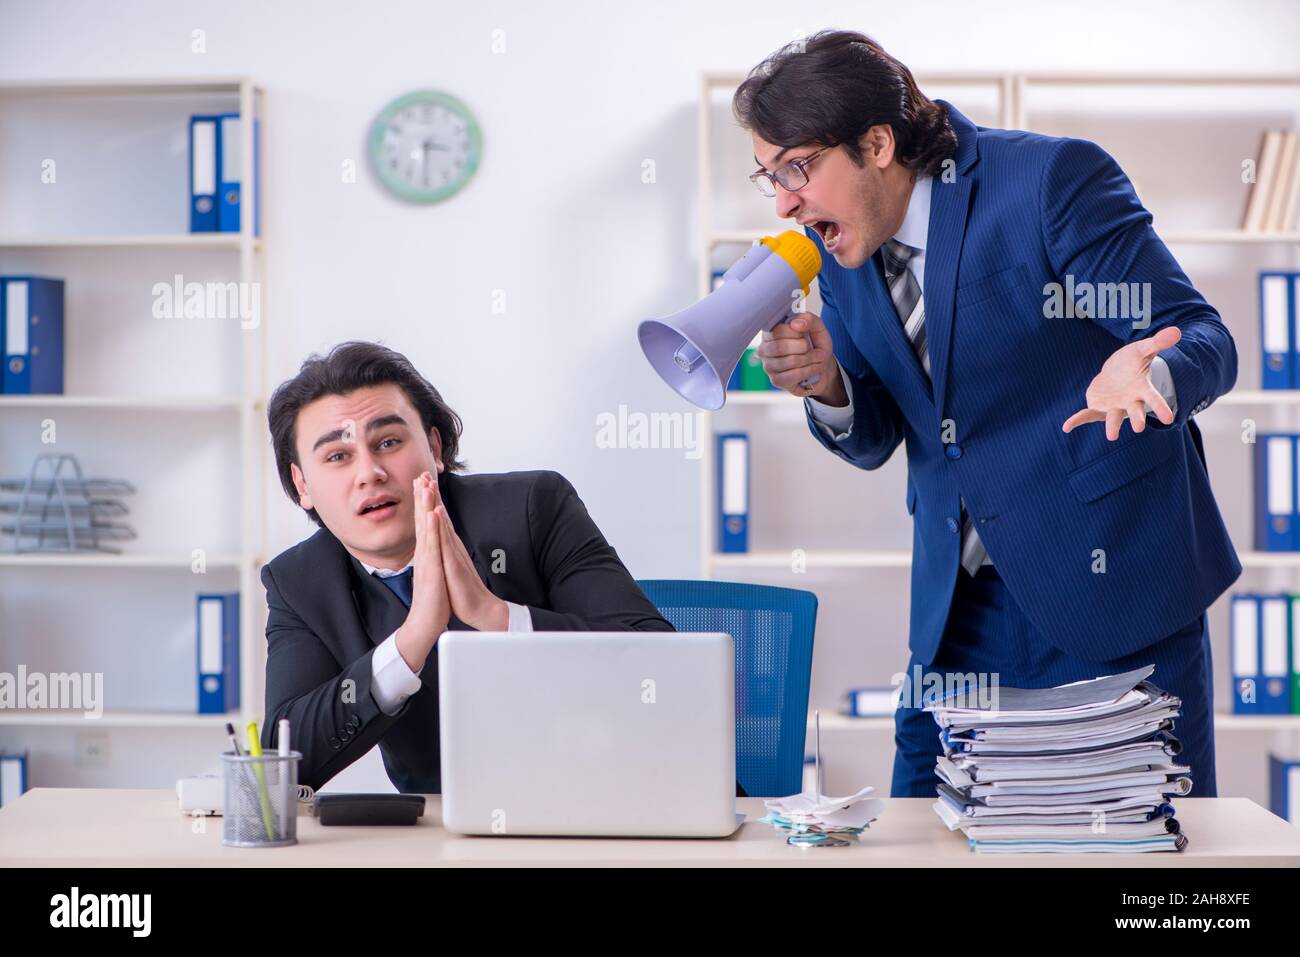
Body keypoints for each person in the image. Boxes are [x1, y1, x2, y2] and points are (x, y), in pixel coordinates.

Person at [740, 31, 1239, 796]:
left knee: (1140, 840)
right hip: (956, 617)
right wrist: (829, 384)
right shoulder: (841, 252)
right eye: (769, 175)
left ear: (877, 143)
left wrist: (1154, 376)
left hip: (1106, 590)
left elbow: (1206, 337)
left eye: (798, 168)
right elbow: (879, 435)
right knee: (917, 833)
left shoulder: (1046, 180)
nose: (784, 201)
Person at [258, 341, 672, 792]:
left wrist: (496, 616)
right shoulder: (299, 582)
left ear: (434, 447)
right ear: (303, 485)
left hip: (633, 799)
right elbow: (285, 762)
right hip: (452, 839)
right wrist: (412, 639)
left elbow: (662, 667)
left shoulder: (533, 509)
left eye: (389, 442)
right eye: (338, 456)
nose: (370, 472)